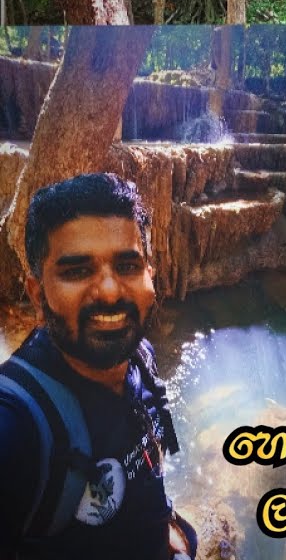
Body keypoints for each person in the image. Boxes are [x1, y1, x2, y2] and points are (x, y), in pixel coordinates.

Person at [0, 173, 195, 560]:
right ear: (38, 295)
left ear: (150, 277)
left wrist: (170, 528)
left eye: (127, 265)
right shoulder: (16, 429)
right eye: (77, 271)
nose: (109, 290)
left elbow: (151, 457)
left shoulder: (140, 356)